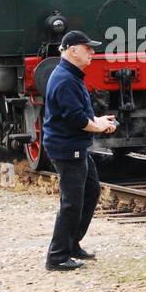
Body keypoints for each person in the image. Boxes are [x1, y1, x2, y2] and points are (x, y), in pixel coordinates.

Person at [42, 30, 117, 272]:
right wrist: (98, 126)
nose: (93, 53)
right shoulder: (65, 79)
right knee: (71, 202)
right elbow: (74, 117)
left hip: (75, 146)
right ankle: (56, 256)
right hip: (67, 148)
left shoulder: (71, 75)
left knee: (91, 191)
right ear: (72, 50)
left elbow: (77, 112)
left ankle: (73, 244)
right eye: (88, 49)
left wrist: (97, 119)